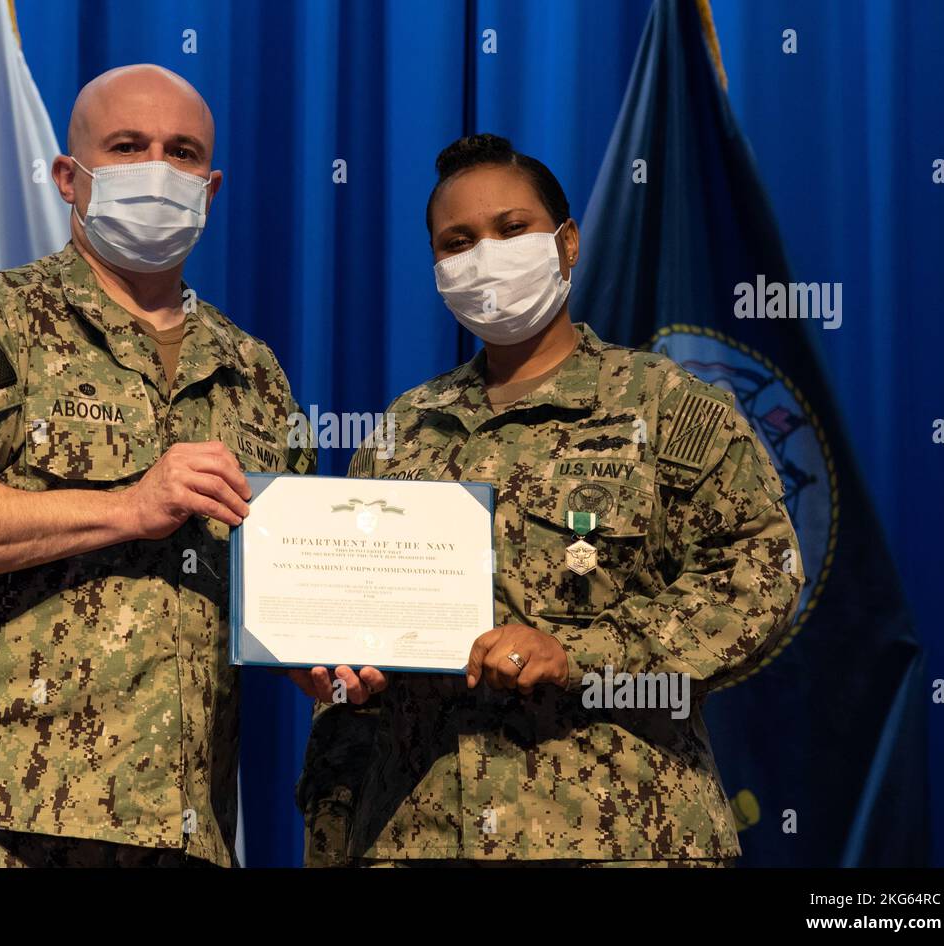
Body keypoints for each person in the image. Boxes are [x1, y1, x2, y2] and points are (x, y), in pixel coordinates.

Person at [0, 64, 313, 868]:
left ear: (211, 185)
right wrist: (128, 505)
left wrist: (333, 655)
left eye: (182, 152)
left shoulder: (254, 373)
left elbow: (281, 590)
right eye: (127, 147)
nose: (156, 169)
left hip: (173, 831)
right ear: (69, 176)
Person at [292, 133, 803, 867]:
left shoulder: (661, 407)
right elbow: (352, 662)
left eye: (512, 229)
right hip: (420, 838)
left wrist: (580, 655)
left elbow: (763, 572)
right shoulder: (401, 433)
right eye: (457, 241)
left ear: (566, 244)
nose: (486, 256)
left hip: (622, 836)